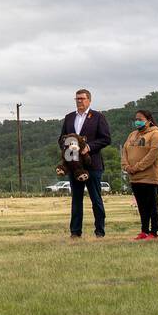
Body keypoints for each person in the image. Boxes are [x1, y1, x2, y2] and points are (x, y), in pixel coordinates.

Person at [60, 89, 112, 237]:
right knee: (76, 200)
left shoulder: (97, 117)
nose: (79, 101)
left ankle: (99, 231)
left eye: (82, 98)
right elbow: (61, 138)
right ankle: (75, 232)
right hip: (74, 166)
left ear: (89, 100)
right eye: (77, 99)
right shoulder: (69, 117)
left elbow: (106, 139)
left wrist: (88, 147)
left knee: (96, 199)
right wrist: (66, 146)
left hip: (93, 164)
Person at [122, 109, 158, 239]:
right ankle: (144, 230)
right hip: (135, 178)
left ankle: (154, 231)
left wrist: (137, 167)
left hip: (150, 177)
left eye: (140, 119)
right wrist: (126, 166)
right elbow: (125, 151)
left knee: (152, 205)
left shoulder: (155, 135)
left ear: (149, 120)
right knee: (141, 206)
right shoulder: (132, 135)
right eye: (136, 119)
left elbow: (152, 155)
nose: (137, 121)